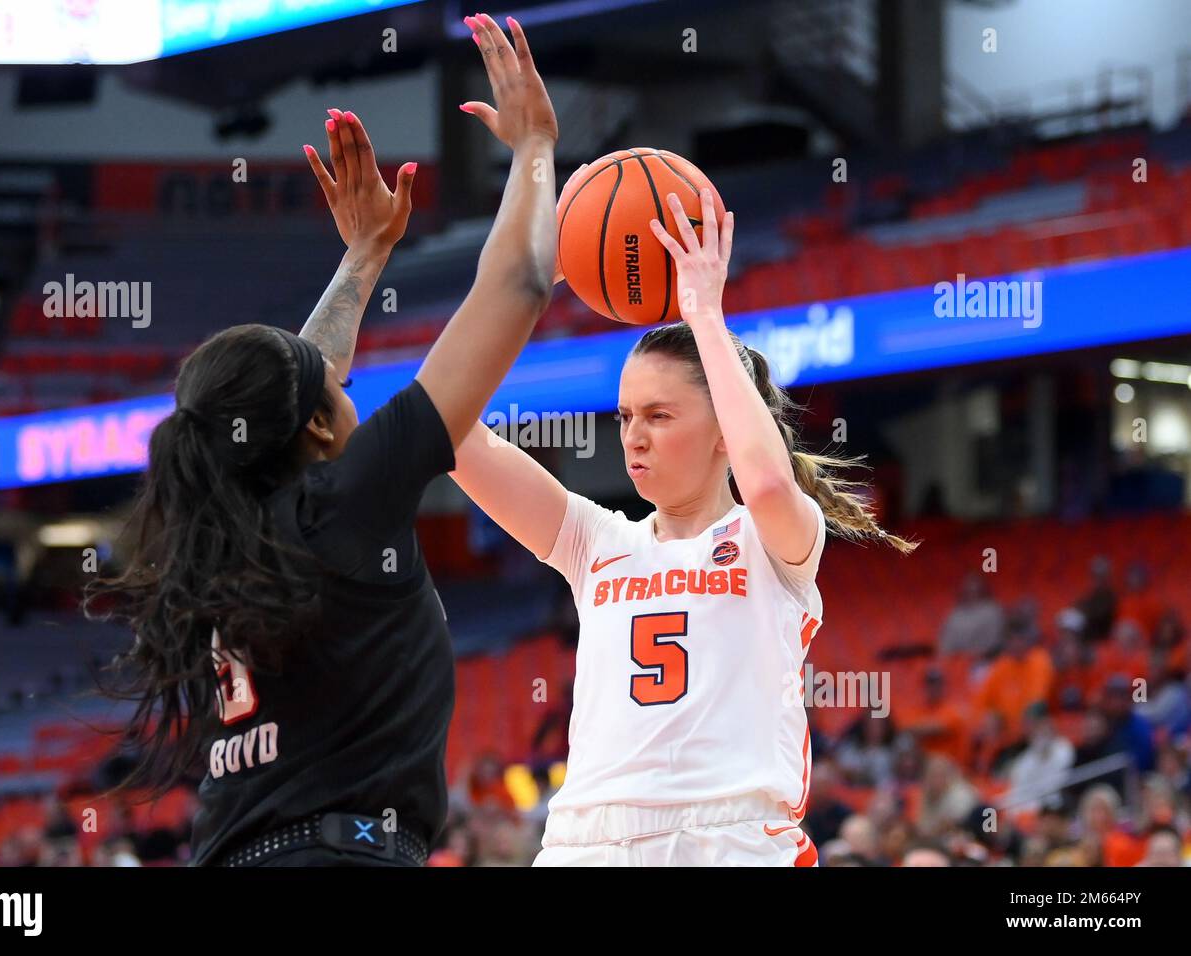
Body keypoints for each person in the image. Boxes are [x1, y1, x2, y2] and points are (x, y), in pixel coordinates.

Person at [85, 13, 558, 867]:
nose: (346, 386)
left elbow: (291, 386)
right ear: (310, 425)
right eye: (336, 390)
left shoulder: (223, 540)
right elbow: (520, 284)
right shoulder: (343, 504)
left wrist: (365, 256)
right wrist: (530, 151)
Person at [448, 188, 914, 865]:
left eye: (659, 416)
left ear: (726, 430)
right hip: (588, 842)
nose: (633, 438)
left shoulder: (772, 541)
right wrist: (517, 291)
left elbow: (767, 480)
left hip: (727, 841)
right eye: (626, 418)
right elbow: (450, 431)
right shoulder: (596, 541)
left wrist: (702, 311)